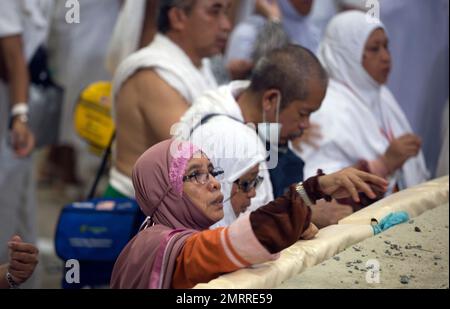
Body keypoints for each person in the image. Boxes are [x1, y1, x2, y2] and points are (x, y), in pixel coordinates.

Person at [110, 139, 388, 289]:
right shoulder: (177, 251)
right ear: (165, 192)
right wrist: (310, 191)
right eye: (195, 175)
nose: (215, 183)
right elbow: (246, 240)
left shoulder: (154, 235)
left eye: (212, 171)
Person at [178, 44, 352, 227]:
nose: (306, 125)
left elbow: (278, 195)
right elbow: (237, 227)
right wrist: (302, 215)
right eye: (303, 113)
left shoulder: (266, 124)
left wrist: (312, 191)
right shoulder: (226, 138)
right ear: (270, 100)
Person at [107, 0, 232, 199]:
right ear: (178, 17)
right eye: (214, 12)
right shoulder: (153, 74)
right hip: (135, 212)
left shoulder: (201, 66)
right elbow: (199, 157)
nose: (226, 24)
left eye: (226, 12)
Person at [300, 11, 429, 197]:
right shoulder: (325, 107)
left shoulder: (381, 94)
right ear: (347, 54)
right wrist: (385, 163)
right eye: (375, 48)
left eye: (386, 46)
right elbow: (314, 187)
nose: (386, 57)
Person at [0, 1, 52, 286]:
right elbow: (14, 54)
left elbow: (17, 56)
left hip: (12, 102)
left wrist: (19, 115)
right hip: (12, 103)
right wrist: (19, 115)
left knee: (15, 202)